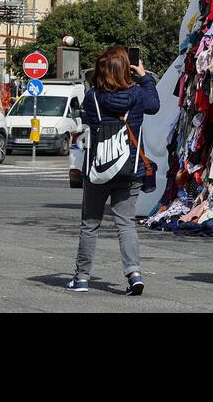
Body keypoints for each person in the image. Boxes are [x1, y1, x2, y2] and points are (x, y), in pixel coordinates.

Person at [67, 46, 160, 295]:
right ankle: (134, 274)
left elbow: (90, 121)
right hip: (130, 169)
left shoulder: (93, 98)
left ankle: (82, 278)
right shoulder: (139, 95)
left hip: (99, 169)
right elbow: (154, 105)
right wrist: (143, 76)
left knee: (90, 224)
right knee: (126, 224)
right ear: (126, 69)